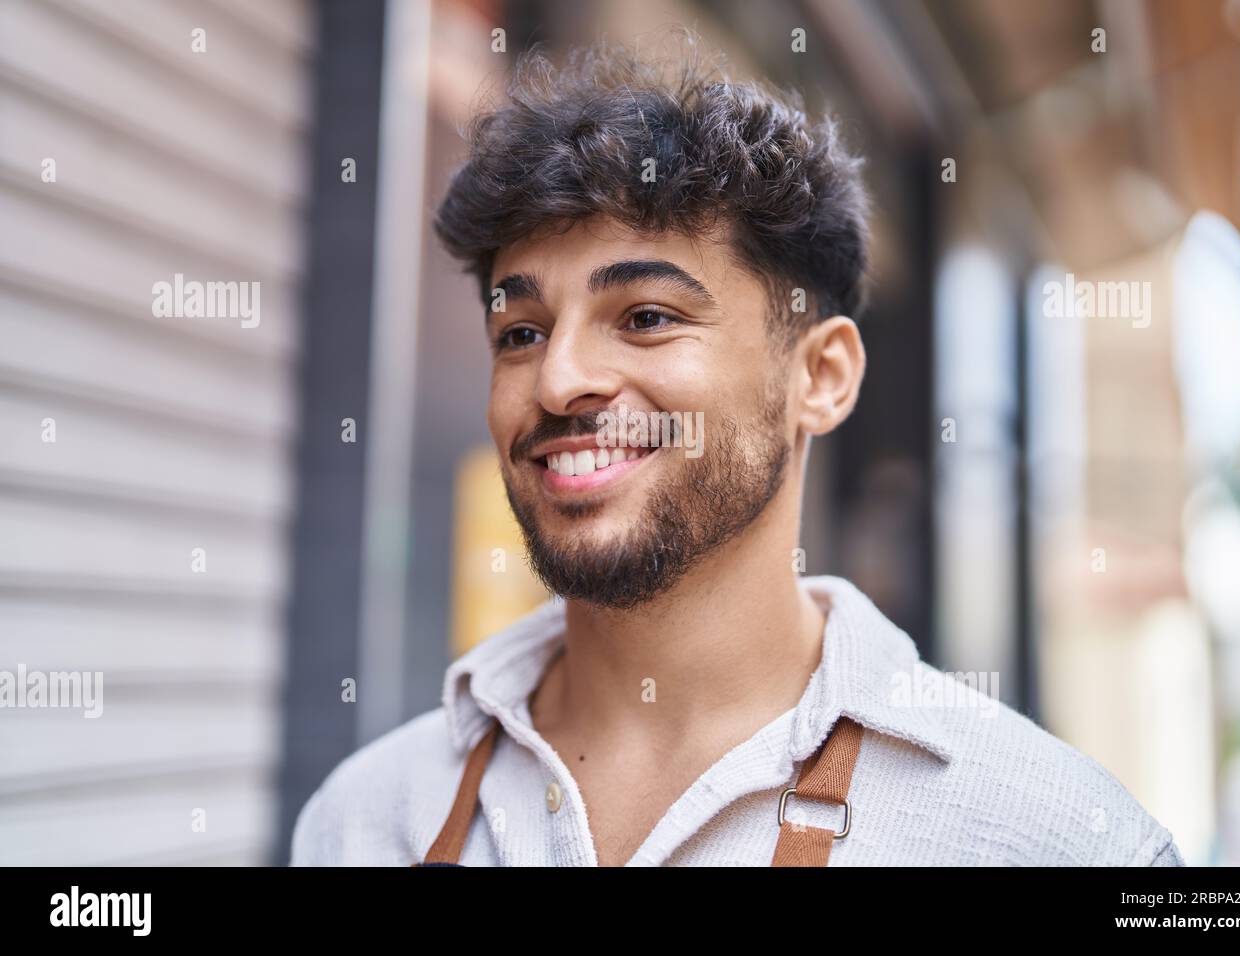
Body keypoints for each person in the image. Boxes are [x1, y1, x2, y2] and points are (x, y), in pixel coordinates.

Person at [290, 38, 1184, 867]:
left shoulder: (1054, 839)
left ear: (820, 377)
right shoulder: (365, 821)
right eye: (521, 332)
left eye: (646, 317)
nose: (558, 381)